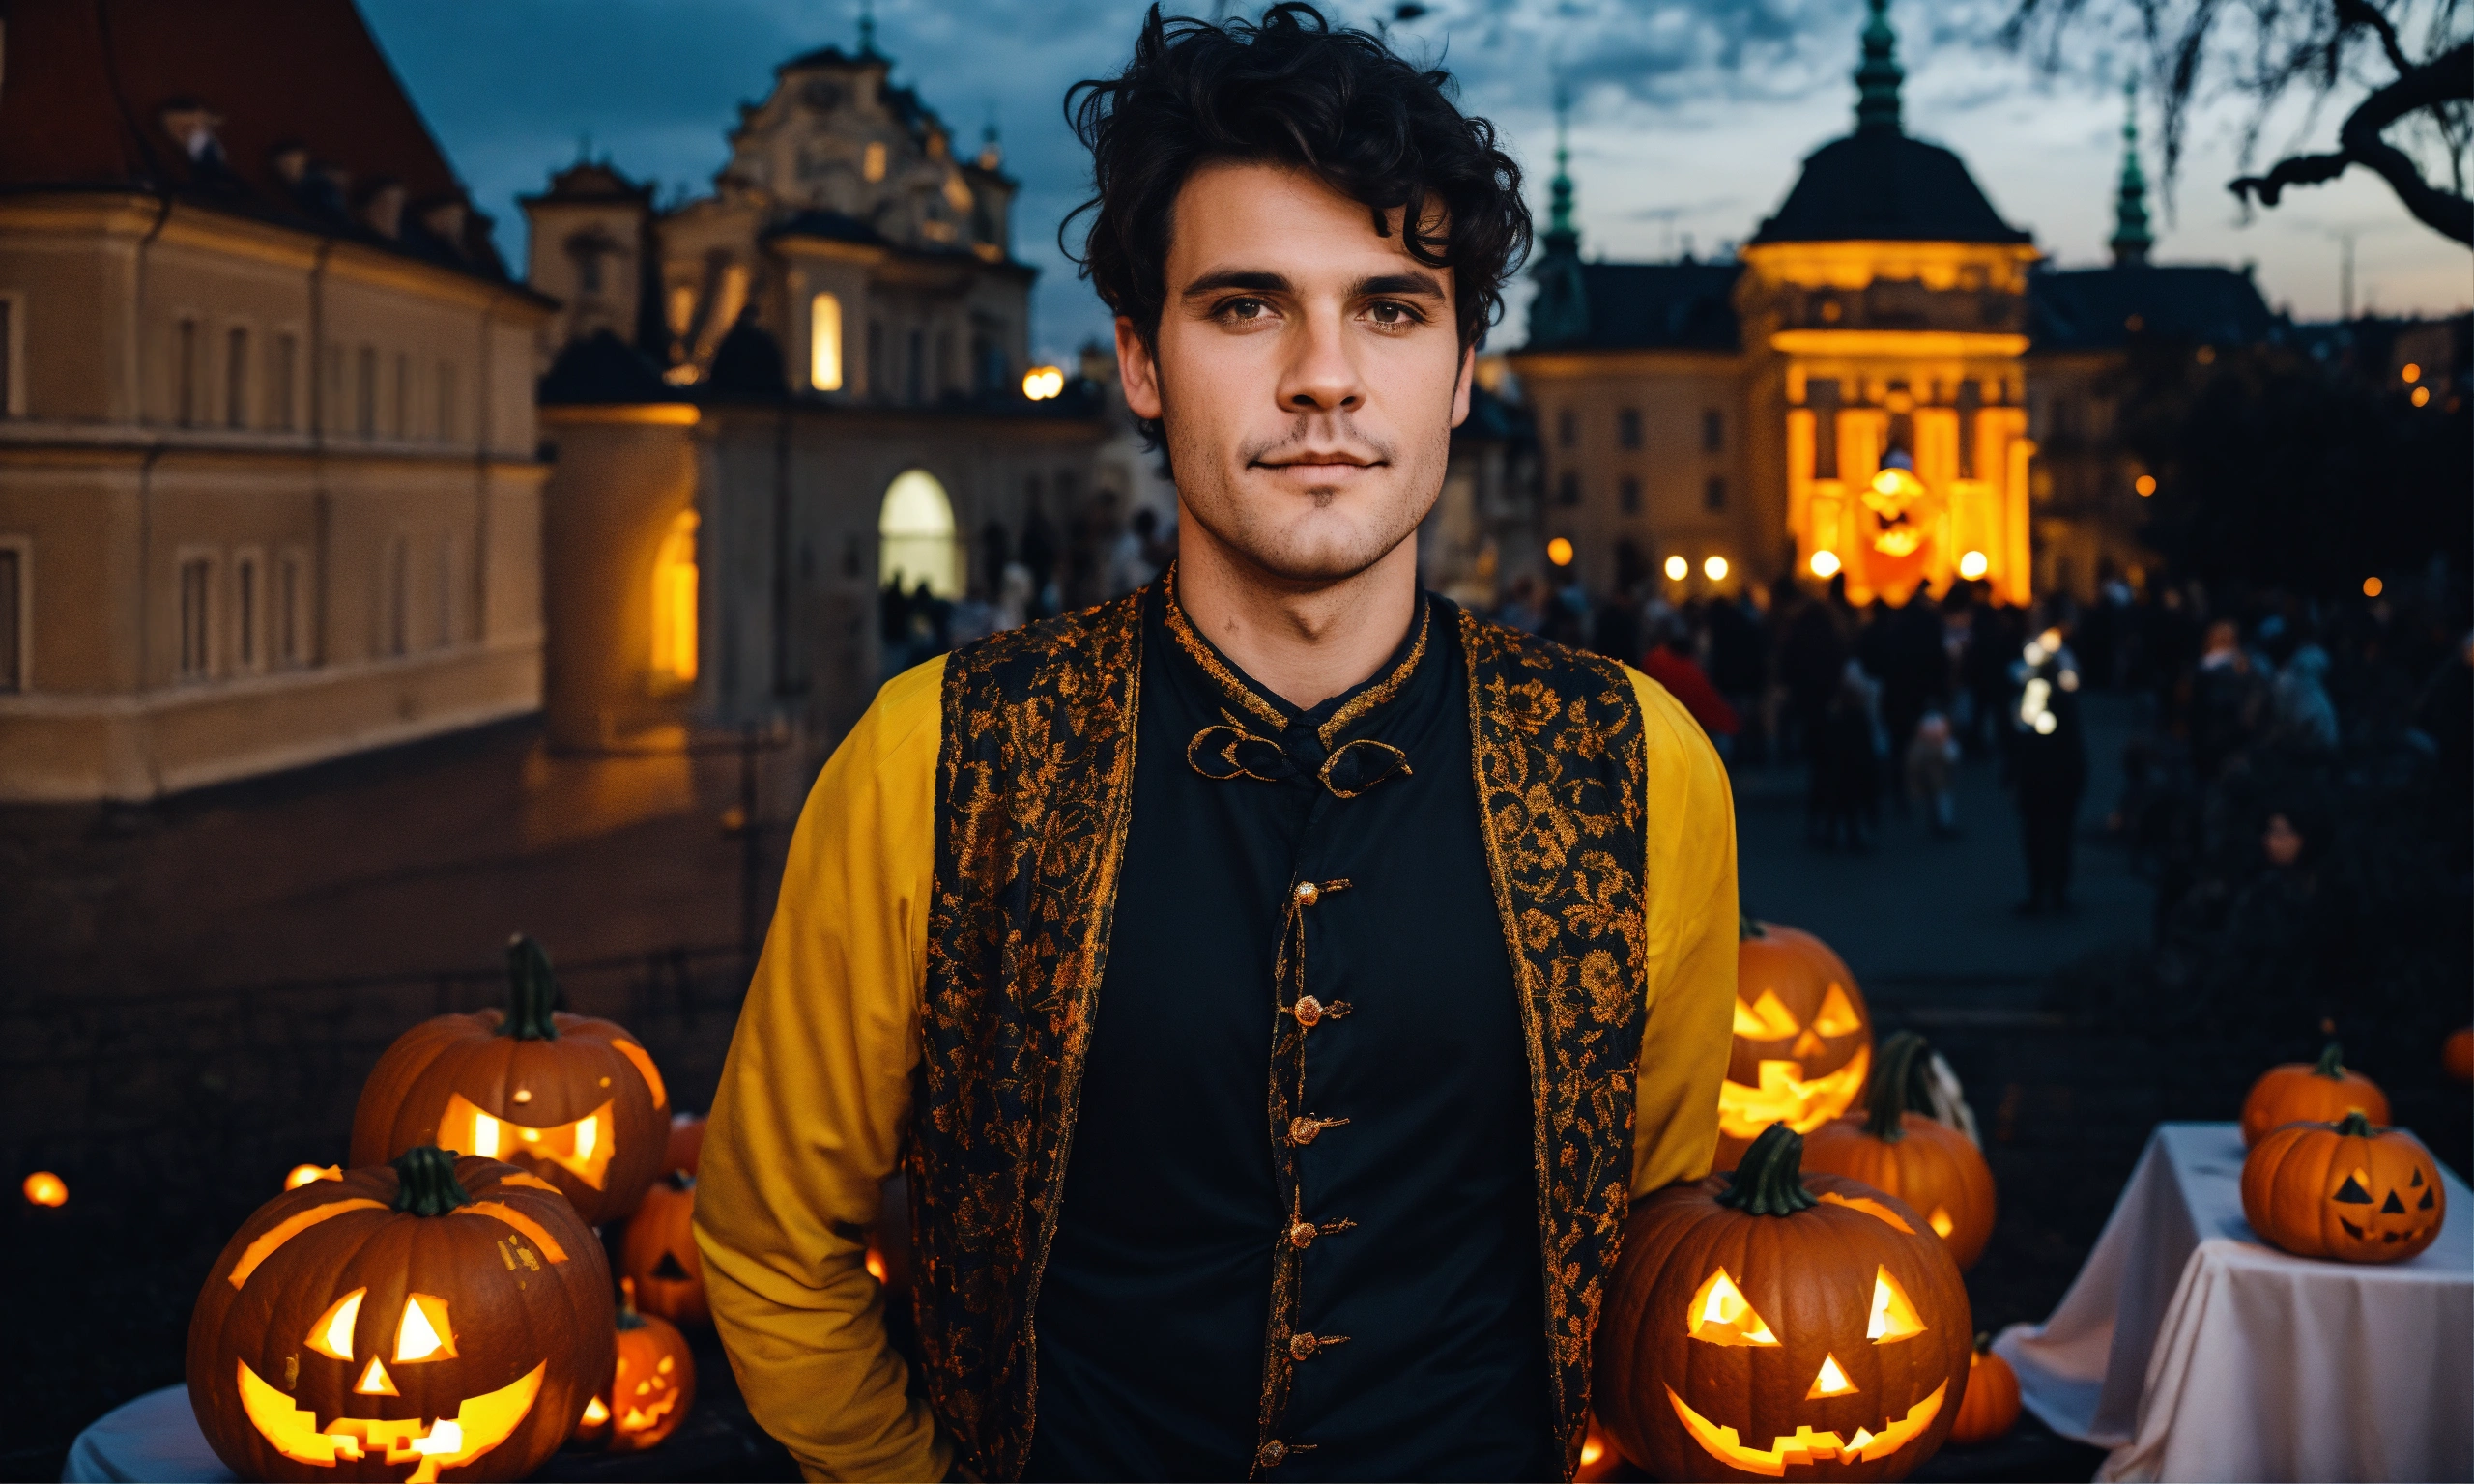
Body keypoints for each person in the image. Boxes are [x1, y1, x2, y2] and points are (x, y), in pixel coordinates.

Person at [691, 8, 1740, 1480]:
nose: (1325, 377)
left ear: (1457, 370)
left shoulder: (1638, 763)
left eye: (1390, 307)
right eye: (1246, 307)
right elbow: (764, 1241)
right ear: (1139, 360)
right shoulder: (935, 758)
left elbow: (1651, 1238)